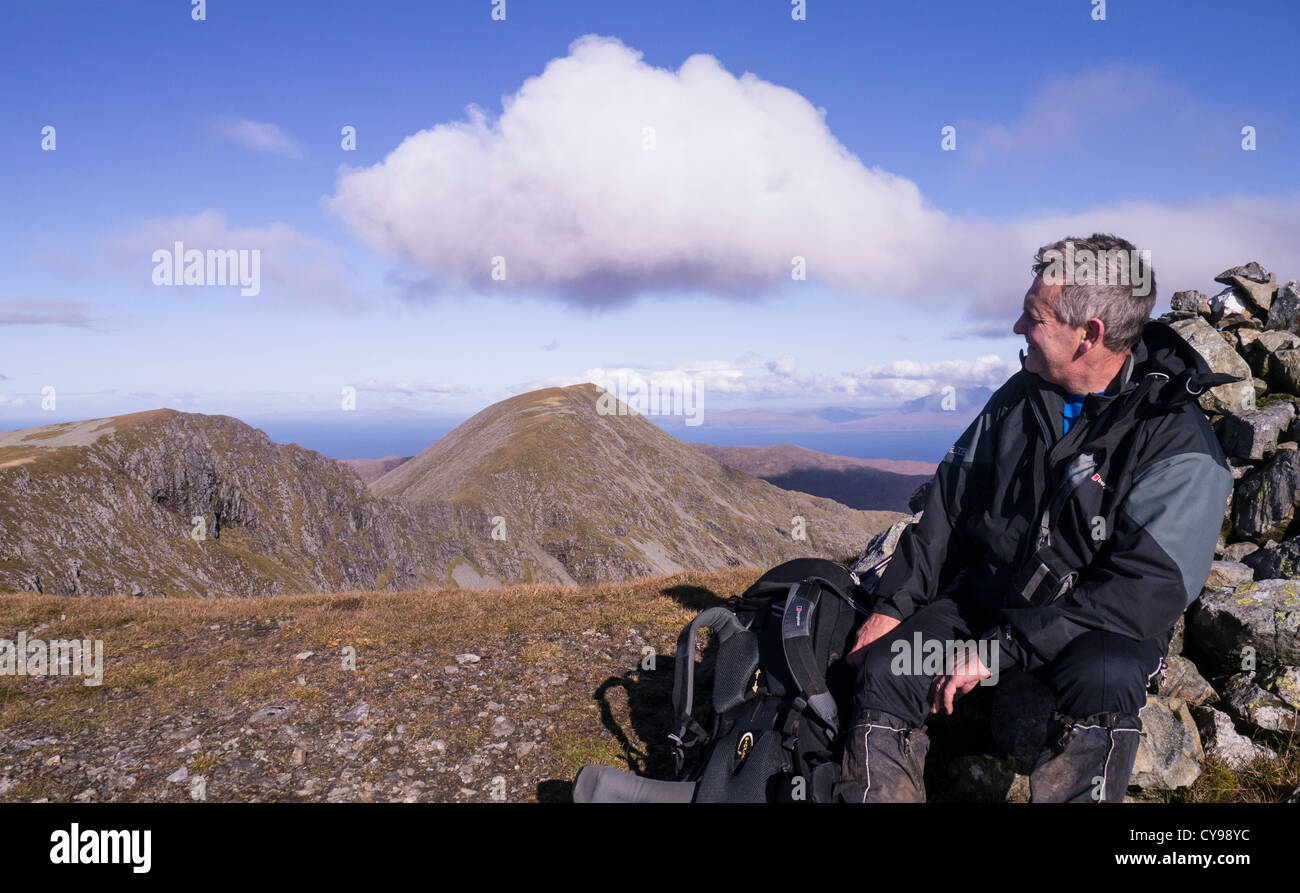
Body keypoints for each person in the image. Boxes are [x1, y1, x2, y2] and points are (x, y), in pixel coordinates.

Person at [839, 233, 1237, 802]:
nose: (1017, 328)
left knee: (1106, 681)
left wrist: (999, 651)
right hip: (988, 602)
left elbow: (1139, 592)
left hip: (1091, 629)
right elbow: (947, 509)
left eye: (1034, 316)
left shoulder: (1180, 444)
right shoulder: (1018, 398)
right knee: (885, 669)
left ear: (1088, 335)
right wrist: (891, 608)